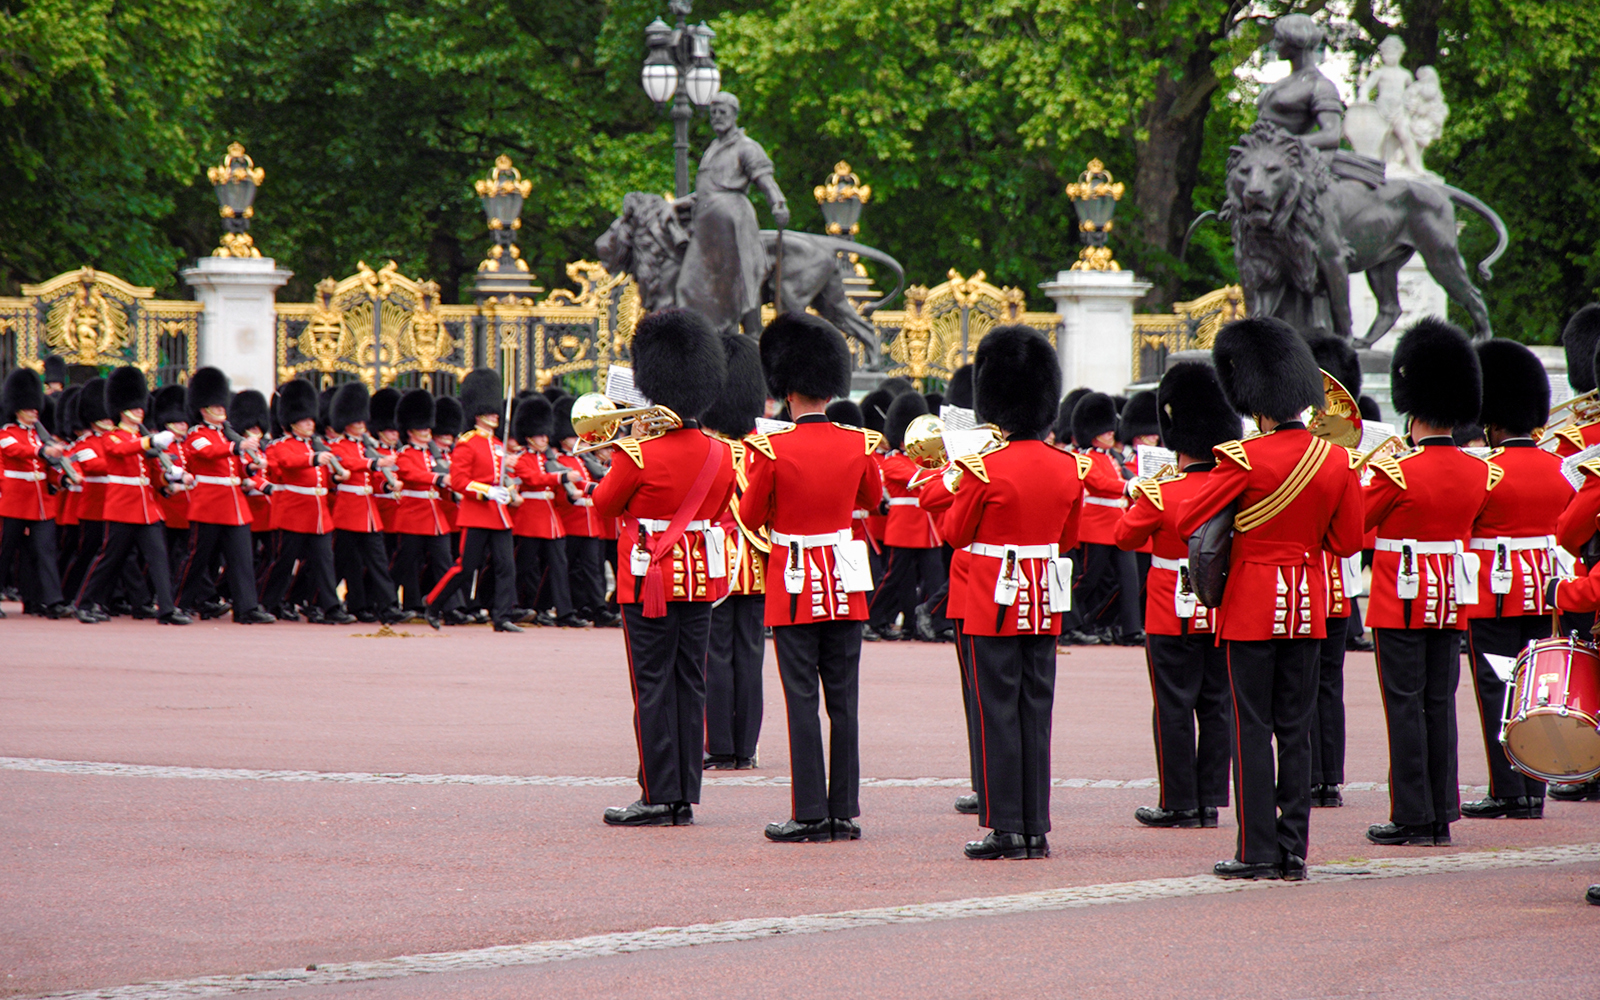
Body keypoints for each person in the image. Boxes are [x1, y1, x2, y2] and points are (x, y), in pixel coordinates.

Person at [1176, 317, 1363, 881]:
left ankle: (1257, 849)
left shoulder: (1245, 458)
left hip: (1252, 607)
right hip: (1308, 606)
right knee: (1296, 729)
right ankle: (1293, 849)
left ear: (1256, 402)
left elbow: (1187, 517)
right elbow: (1347, 542)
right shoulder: (1336, 460)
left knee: (1251, 726)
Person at [936, 326, 1084, 860]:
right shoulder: (1069, 467)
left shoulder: (983, 468)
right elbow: (1068, 538)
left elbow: (955, 533)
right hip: (1043, 599)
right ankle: (1036, 827)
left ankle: (1006, 827)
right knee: (1035, 709)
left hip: (991, 601)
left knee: (997, 710)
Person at [738, 312, 882, 842]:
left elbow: (750, 515)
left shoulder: (772, 448)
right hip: (844, 580)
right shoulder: (858, 443)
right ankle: (843, 811)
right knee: (844, 701)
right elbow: (872, 499)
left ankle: (809, 813)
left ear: (787, 389)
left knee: (801, 700)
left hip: (795, 583)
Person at [594, 308, 735, 827]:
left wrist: (616, 454)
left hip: (647, 579)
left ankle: (657, 794)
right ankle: (683, 797)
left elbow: (604, 507)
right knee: (690, 681)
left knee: (651, 684)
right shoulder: (722, 454)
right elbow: (720, 509)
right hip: (698, 580)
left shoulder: (637, 453)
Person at [1362, 318, 1493, 847]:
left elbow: (1353, 525)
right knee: (1440, 702)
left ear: (1412, 414)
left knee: (1403, 703)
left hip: (1400, 597)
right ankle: (1441, 813)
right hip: (1451, 596)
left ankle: (1412, 814)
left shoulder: (1397, 471)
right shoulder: (1479, 471)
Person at [1115, 362, 1238, 830]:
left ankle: (1179, 801)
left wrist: (1133, 501)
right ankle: (1210, 801)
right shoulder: (1233, 489)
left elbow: (1124, 537)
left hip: (1170, 609)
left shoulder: (1160, 492)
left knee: (1173, 705)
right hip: (1222, 607)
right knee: (1217, 704)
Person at [1460, 339, 1570, 820]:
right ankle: (1535, 789)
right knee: (1538, 688)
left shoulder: (1485, 471)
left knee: (1496, 690)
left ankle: (1507, 790)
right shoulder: (1561, 468)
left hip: (1493, 593)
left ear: (1493, 421)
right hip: (1545, 591)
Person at [702, 332, 771, 770]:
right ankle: (746, 746)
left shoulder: (708, 450)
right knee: (751, 657)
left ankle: (720, 745)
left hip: (715, 563)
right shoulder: (764, 451)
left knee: (716, 656)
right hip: (759, 563)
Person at [74, 366, 190, 625]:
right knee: (109, 559)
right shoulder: (113, 437)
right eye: (134, 407)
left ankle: (167, 609)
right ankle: (83, 603)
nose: (140, 410)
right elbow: (122, 450)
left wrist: (174, 477)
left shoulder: (142, 438)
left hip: (147, 508)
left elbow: (153, 474)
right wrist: (150, 443)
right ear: (122, 409)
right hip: (122, 507)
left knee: (159, 558)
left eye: (141, 407)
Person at [1307, 335, 1365, 807]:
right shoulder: (1349, 461)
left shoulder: (1322, 460)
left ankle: (1316, 775)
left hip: (1309, 586)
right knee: (1329, 682)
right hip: (1337, 588)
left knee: (1308, 682)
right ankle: (1328, 779)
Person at [678, 92, 790, 336]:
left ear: (735, 115)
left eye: (723, 112)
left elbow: (765, 180)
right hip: (707, 230)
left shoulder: (747, 147)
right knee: (691, 285)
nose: (717, 117)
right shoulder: (712, 148)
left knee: (739, 282)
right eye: (713, 113)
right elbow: (707, 190)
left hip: (732, 223)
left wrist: (778, 202)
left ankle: (752, 336)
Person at [425, 369, 521, 632]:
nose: (495, 415)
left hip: (499, 514)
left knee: (506, 566)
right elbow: (459, 481)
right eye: (490, 412)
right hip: (477, 513)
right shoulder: (467, 443)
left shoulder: (498, 444)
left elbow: (501, 475)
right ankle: (433, 603)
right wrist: (486, 491)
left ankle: (502, 617)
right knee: (465, 568)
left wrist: (507, 489)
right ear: (478, 414)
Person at [176, 367, 274, 625]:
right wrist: (237, 446)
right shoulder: (196, 435)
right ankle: (178, 603)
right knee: (197, 558)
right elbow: (208, 453)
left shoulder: (227, 435)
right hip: (209, 504)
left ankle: (246, 608)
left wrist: (251, 466)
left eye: (222, 405)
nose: (221, 409)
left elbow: (238, 469)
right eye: (215, 406)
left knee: (242, 559)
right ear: (203, 408)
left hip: (234, 505)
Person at [259, 379, 356, 625]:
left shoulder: (316, 446)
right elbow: (287, 464)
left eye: (311, 420)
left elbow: (323, 480)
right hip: (293, 513)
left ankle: (330, 607)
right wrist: (314, 459)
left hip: (318, 514)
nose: (310, 424)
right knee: (284, 562)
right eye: (304, 420)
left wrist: (336, 477)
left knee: (324, 562)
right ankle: (267, 602)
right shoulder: (280, 446)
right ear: (292, 422)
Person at [867, 392, 945, 641]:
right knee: (893, 579)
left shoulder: (927, 462)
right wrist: (942, 468)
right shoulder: (893, 463)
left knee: (936, 579)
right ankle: (872, 618)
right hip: (903, 528)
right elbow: (917, 479)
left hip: (927, 529)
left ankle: (934, 624)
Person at [326, 382, 403, 624]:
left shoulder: (366, 447)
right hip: (348, 511)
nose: (361, 424)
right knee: (344, 563)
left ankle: (388, 606)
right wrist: (374, 463)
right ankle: (324, 603)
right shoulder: (338, 446)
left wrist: (387, 485)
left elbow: (374, 480)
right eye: (356, 420)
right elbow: (347, 464)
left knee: (378, 562)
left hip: (369, 513)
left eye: (362, 420)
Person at [0, 367, 73, 618]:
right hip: (14, 501)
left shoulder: (41, 437)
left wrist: (63, 478)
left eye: (35, 407)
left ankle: (50, 601)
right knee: (5, 552)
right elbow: (16, 451)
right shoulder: (7, 434)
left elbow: (47, 470)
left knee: (44, 551)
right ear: (17, 408)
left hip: (41, 503)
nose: (34, 411)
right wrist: (42, 451)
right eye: (29, 408)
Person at [508, 394, 586, 627]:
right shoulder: (523, 459)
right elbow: (533, 479)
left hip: (551, 519)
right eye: (539, 435)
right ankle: (510, 605)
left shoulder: (548, 459)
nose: (544, 438)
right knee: (523, 566)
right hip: (531, 518)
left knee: (559, 566)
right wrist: (561, 477)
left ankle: (563, 612)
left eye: (545, 434)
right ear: (529, 437)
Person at [1071, 392, 1142, 645]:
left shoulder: (1114, 458)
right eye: (1105, 430)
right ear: (1092, 433)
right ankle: (1067, 620)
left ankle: (1129, 629)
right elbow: (1099, 484)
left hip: (1119, 525)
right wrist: (1127, 486)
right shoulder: (1085, 458)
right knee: (1088, 580)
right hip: (1097, 527)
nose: (1111, 433)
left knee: (1129, 581)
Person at [391, 390, 454, 619]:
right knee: (405, 563)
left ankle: (451, 607)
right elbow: (412, 474)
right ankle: (388, 602)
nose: (427, 430)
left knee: (445, 563)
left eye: (428, 427)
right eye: (422, 427)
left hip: (435, 517)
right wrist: (438, 478)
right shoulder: (405, 454)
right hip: (414, 516)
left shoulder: (434, 455)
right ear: (410, 431)